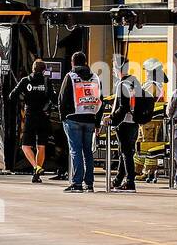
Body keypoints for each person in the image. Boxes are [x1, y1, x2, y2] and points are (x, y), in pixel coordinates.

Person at [58, 50, 102, 192]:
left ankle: (77, 183)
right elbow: (101, 100)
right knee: (87, 151)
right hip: (90, 118)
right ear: (85, 62)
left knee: (75, 150)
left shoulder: (70, 76)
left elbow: (62, 99)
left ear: (72, 62)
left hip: (73, 118)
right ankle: (89, 183)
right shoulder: (95, 77)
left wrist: (63, 117)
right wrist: (97, 122)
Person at [9, 58, 54, 183]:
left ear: (33, 69)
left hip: (30, 116)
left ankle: (36, 167)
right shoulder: (46, 81)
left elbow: (12, 96)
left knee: (25, 145)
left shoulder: (25, 80)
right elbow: (53, 98)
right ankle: (36, 174)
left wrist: (24, 98)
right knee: (41, 145)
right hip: (43, 116)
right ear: (44, 70)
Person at [109, 71, 146, 191]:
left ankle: (130, 181)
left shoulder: (122, 84)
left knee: (126, 153)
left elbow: (123, 107)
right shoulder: (136, 83)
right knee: (126, 152)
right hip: (134, 122)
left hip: (123, 122)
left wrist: (112, 118)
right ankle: (118, 179)